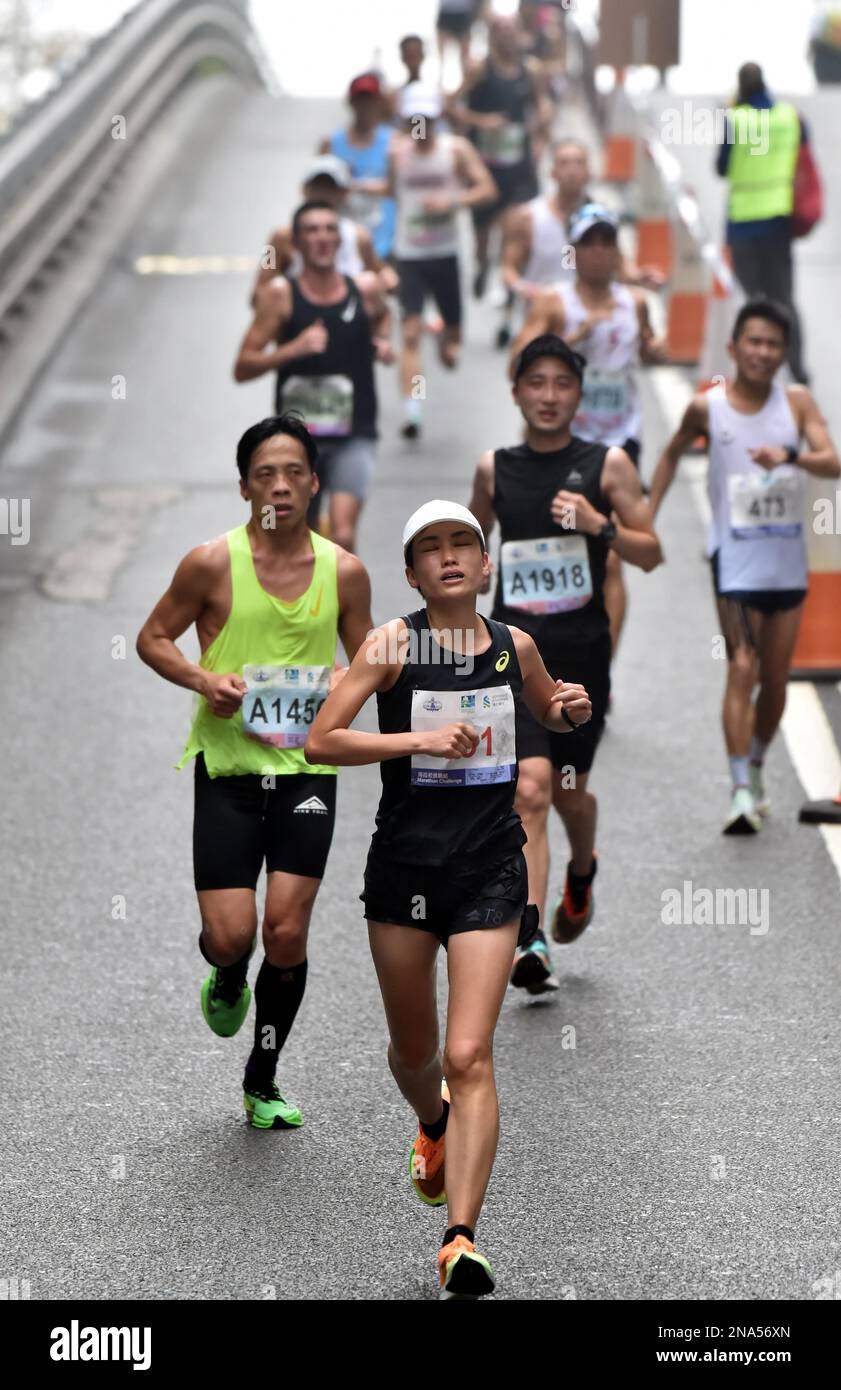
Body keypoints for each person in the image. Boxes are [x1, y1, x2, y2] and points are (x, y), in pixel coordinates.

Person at [304, 499, 592, 1297]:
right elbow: (322, 739)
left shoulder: (513, 644)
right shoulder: (391, 643)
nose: (450, 556)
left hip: (488, 871)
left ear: (484, 561)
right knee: (414, 1055)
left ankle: (459, 1238)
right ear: (412, 574)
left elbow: (542, 707)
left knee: (468, 1055)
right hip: (402, 872)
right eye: (430, 548)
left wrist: (567, 709)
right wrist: (418, 740)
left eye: (462, 542)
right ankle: (431, 1124)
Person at [136, 415, 374, 1129]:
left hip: (307, 769)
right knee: (233, 935)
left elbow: (371, 666)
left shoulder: (344, 571)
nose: (279, 484)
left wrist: (346, 677)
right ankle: (228, 969)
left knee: (288, 932)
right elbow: (152, 638)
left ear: (313, 482)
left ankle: (261, 1077)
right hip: (230, 768)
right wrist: (202, 680)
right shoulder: (209, 563)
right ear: (244, 487)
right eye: (264, 473)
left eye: (293, 471)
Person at [469, 335, 661, 990]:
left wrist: (596, 524)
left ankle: (582, 867)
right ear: (515, 391)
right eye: (536, 383)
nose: (548, 396)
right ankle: (531, 938)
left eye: (561, 385)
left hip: (582, 658)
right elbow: (466, 554)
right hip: (513, 660)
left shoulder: (606, 466)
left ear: (579, 395)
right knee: (530, 788)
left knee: (570, 794)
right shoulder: (493, 469)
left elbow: (650, 553)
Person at [649, 299, 839, 834]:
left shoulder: (796, 404)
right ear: (733, 349)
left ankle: (755, 766)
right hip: (733, 566)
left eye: (773, 344)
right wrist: (649, 514)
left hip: (786, 568)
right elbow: (670, 453)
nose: (762, 352)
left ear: (784, 353)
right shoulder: (709, 407)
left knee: (775, 683)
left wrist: (792, 457)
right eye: (753, 342)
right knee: (741, 668)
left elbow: (832, 458)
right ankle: (736, 789)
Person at [511, 204, 667, 654]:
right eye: (588, 243)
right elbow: (515, 363)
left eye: (607, 243)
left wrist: (655, 349)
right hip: (559, 443)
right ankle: (542, 659)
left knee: (612, 562)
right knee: (555, 549)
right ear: (573, 251)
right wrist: (574, 337)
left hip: (619, 443)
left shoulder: (633, 302)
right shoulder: (554, 302)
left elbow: (648, 348)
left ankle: (602, 668)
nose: (598, 252)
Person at [233, 201, 393, 553]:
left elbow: (383, 315)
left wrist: (380, 341)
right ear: (298, 243)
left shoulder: (363, 289)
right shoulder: (280, 295)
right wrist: (293, 349)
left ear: (339, 241)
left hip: (355, 430)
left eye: (329, 230)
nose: (322, 238)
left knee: (343, 534)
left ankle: (340, 608)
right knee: (298, 540)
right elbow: (242, 366)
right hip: (297, 441)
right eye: (312, 231)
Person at [389, 83, 496, 439]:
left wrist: (453, 202)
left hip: (446, 254)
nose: (421, 126)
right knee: (408, 332)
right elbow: (392, 193)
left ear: (437, 120)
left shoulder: (456, 150)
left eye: (428, 119)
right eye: (414, 119)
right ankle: (413, 408)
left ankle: (442, 335)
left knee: (451, 355)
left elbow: (487, 189)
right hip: (410, 255)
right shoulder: (397, 153)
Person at [498, 140, 663, 349]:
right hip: (545, 320)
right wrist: (525, 288)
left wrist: (639, 278)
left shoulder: (602, 219)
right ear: (552, 172)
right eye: (564, 163)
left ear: (589, 172)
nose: (572, 171)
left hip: (594, 325)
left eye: (578, 163)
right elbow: (508, 268)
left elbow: (619, 264)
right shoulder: (527, 217)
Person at [716, 62, 810, 383]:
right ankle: (797, 368)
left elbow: (722, 167)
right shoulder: (789, 117)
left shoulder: (737, 119)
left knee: (754, 301)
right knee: (784, 299)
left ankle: (756, 369)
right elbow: (804, 151)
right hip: (778, 223)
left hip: (743, 224)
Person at [450, 13, 549, 303]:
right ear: (492, 34)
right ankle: (482, 264)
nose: (506, 34)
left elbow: (540, 104)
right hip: (483, 166)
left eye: (511, 29)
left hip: (517, 164)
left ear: (519, 33)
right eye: (500, 29)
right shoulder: (479, 69)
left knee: (512, 227)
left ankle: (507, 284)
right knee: (482, 236)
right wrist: (480, 121)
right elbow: (450, 104)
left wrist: (541, 135)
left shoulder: (530, 69)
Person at [249, 157, 396, 307]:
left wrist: (387, 280)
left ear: (344, 193)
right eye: (317, 187)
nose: (323, 194)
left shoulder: (360, 237)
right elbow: (259, 289)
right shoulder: (278, 238)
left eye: (330, 188)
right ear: (305, 190)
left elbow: (381, 274)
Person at [321, 73, 396, 260]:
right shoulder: (331, 143)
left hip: (387, 239)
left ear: (379, 102)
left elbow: (401, 188)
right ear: (351, 102)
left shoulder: (395, 142)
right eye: (360, 99)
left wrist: (355, 185)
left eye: (370, 100)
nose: (365, 106)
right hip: (343, 241)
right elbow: (316, 190)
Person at [436, 0, 483, 84]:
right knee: (441, 54)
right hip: (446, 10)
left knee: (465, 54)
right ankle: (440, 79)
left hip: (463, 11)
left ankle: (465, 81)